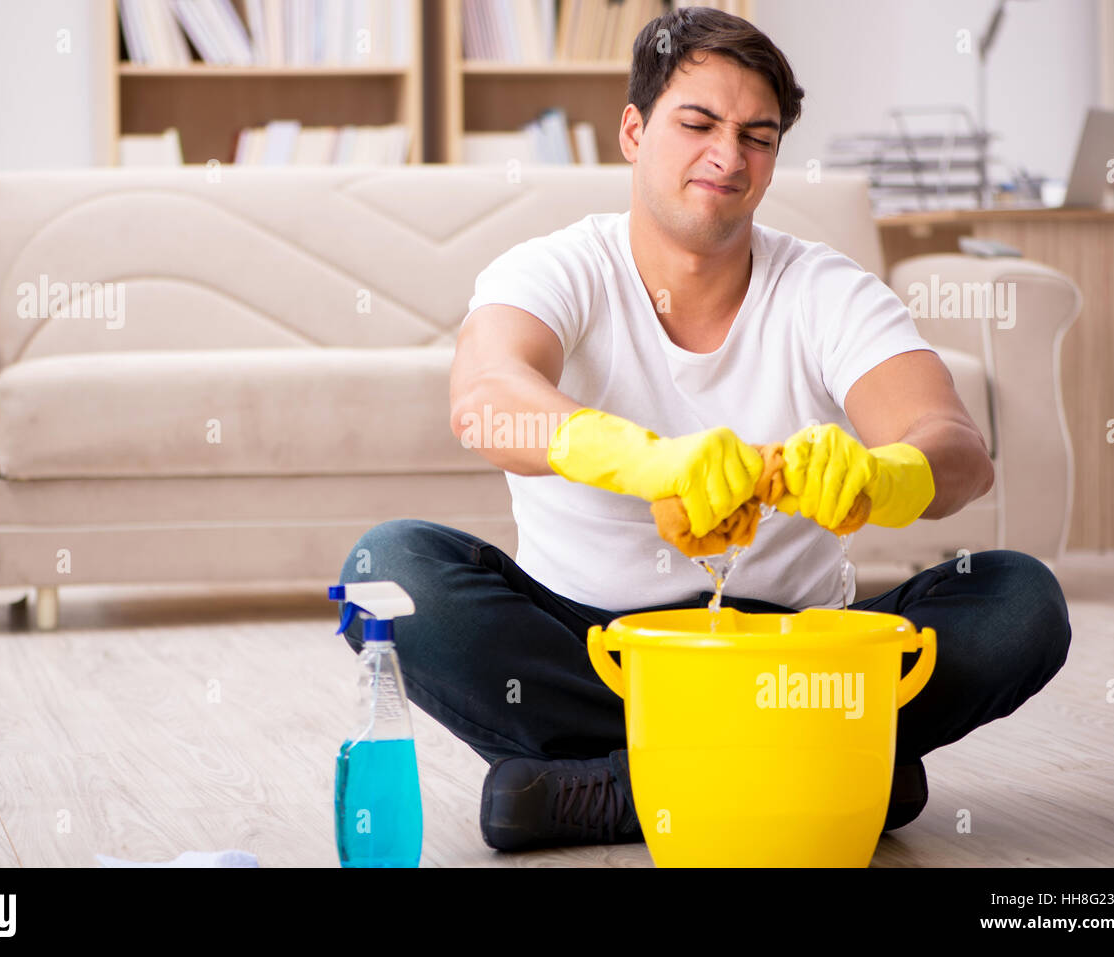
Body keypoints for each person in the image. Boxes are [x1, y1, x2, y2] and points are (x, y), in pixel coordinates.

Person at [338, 6, 1071, 853]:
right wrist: (648, 462)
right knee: (384, 567)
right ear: (633, 130)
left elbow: (958, 447)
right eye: (698, 123)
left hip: (795, 664)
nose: (728, 156)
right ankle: (819, 777)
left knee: (1020, 598)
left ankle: (615, 787)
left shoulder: (825, 289)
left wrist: (884, 476)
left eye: (757, 136)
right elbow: (485, 397)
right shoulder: (558, 267)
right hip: (598, 655)